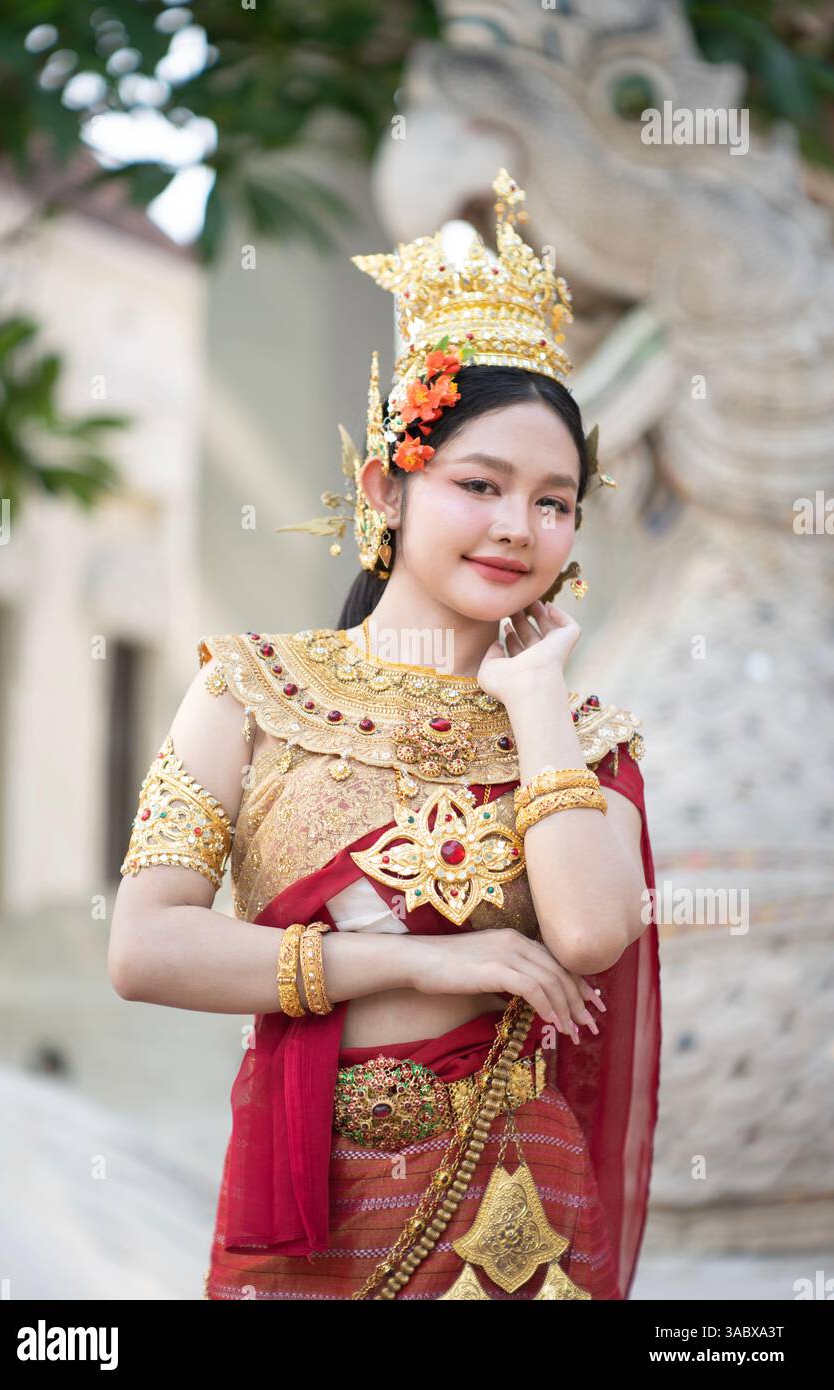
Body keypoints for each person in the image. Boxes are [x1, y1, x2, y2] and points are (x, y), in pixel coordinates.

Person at [109, 168, 661, 1301]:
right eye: (481, 482)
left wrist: (539, 699)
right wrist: (421, 959)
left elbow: (595, 933)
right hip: (325, 1196)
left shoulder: (584, 733)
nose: (519, 525)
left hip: (524, 1210)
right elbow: (147, 947)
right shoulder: (251, 690)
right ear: (387, 489)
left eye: (556, 501)